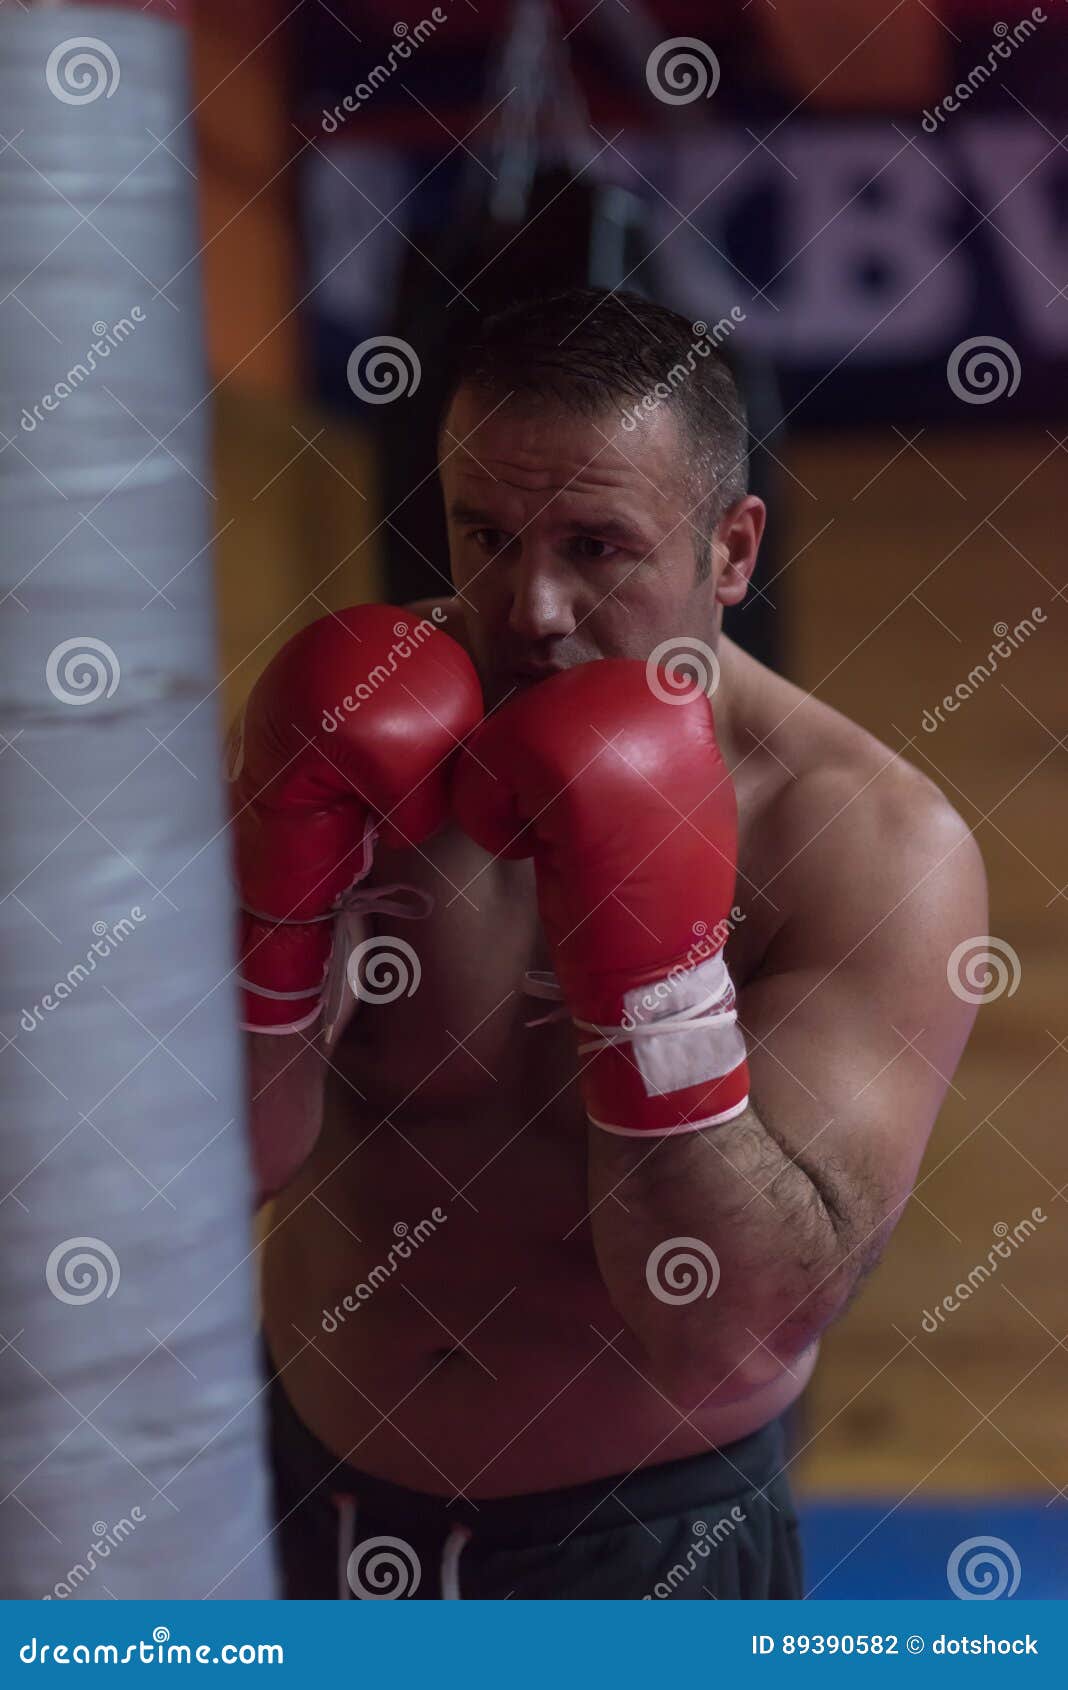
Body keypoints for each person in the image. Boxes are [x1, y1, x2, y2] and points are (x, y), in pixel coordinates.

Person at [235, 288, 987, 1599]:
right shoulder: (355, 733)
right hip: (302, 1495)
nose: (528, 605)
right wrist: (267, 928)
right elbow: (220, 1163)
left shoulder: (865, 843)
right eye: (486, 534)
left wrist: (659, 977)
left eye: (596, 547)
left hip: (645, 1548)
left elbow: (726, 1326)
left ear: (733, 551)